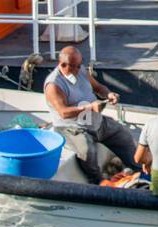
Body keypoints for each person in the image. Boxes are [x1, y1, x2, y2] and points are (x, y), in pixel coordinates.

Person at [44, 46, 138, 181]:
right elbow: (63, 112)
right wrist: (90, 107)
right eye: (75, 66)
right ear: (63, 65)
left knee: (124, 136)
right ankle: (98, 182)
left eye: (80, 65)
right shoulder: (53, 85)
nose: (79, 69)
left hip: (95, 121)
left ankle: (140, 170)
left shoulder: (81, 71)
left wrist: (108, 94)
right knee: (87, 152)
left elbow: (99, 87)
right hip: (72, 127)